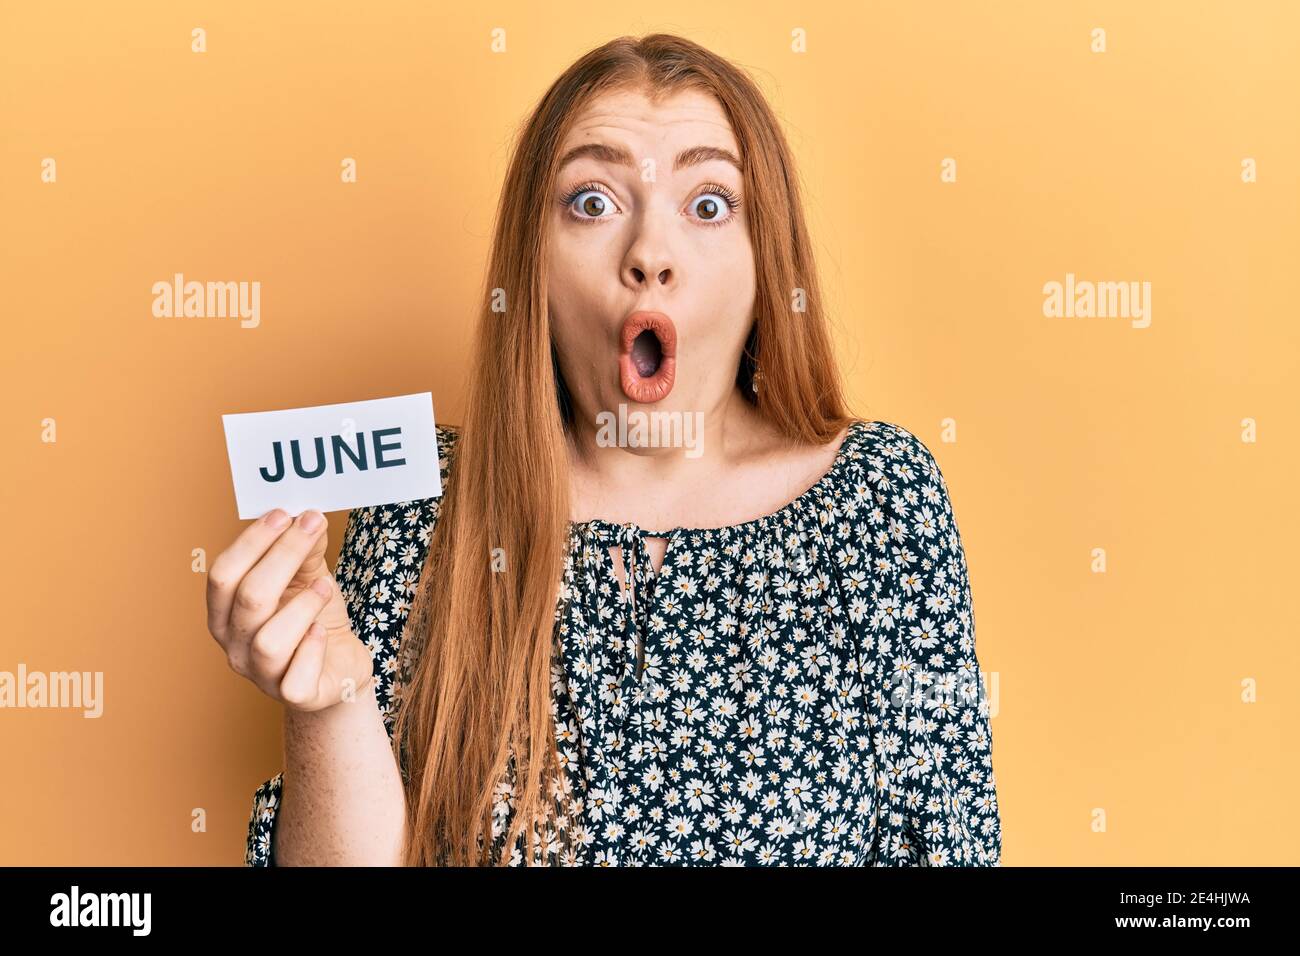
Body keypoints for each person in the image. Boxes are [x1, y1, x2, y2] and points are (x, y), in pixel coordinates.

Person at [206, 33, 1001, 867]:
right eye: (592, 201)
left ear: (768, 261)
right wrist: (328, 703)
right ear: (533, 267)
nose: (649, 256)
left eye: (708, 203)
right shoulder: (420, 503)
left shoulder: (878, 501)